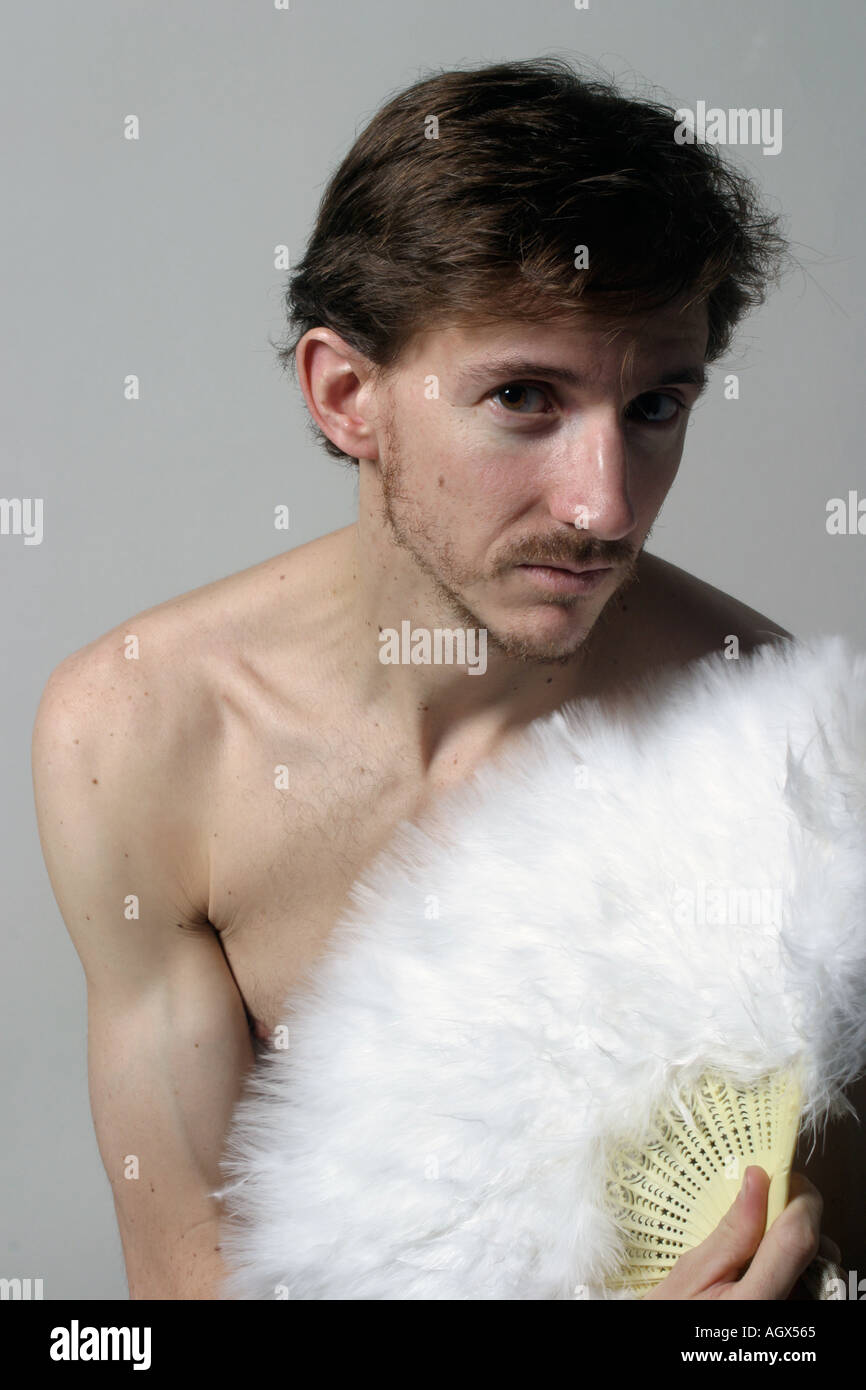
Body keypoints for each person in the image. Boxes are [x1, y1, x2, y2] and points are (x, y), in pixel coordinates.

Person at [32, 56, 856, 1300]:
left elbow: (823, 1244)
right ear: (347, 394)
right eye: (524, 397)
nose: (603, 504)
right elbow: (187, 1285)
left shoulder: (774, 751)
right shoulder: (144, 734)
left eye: (654, 405)